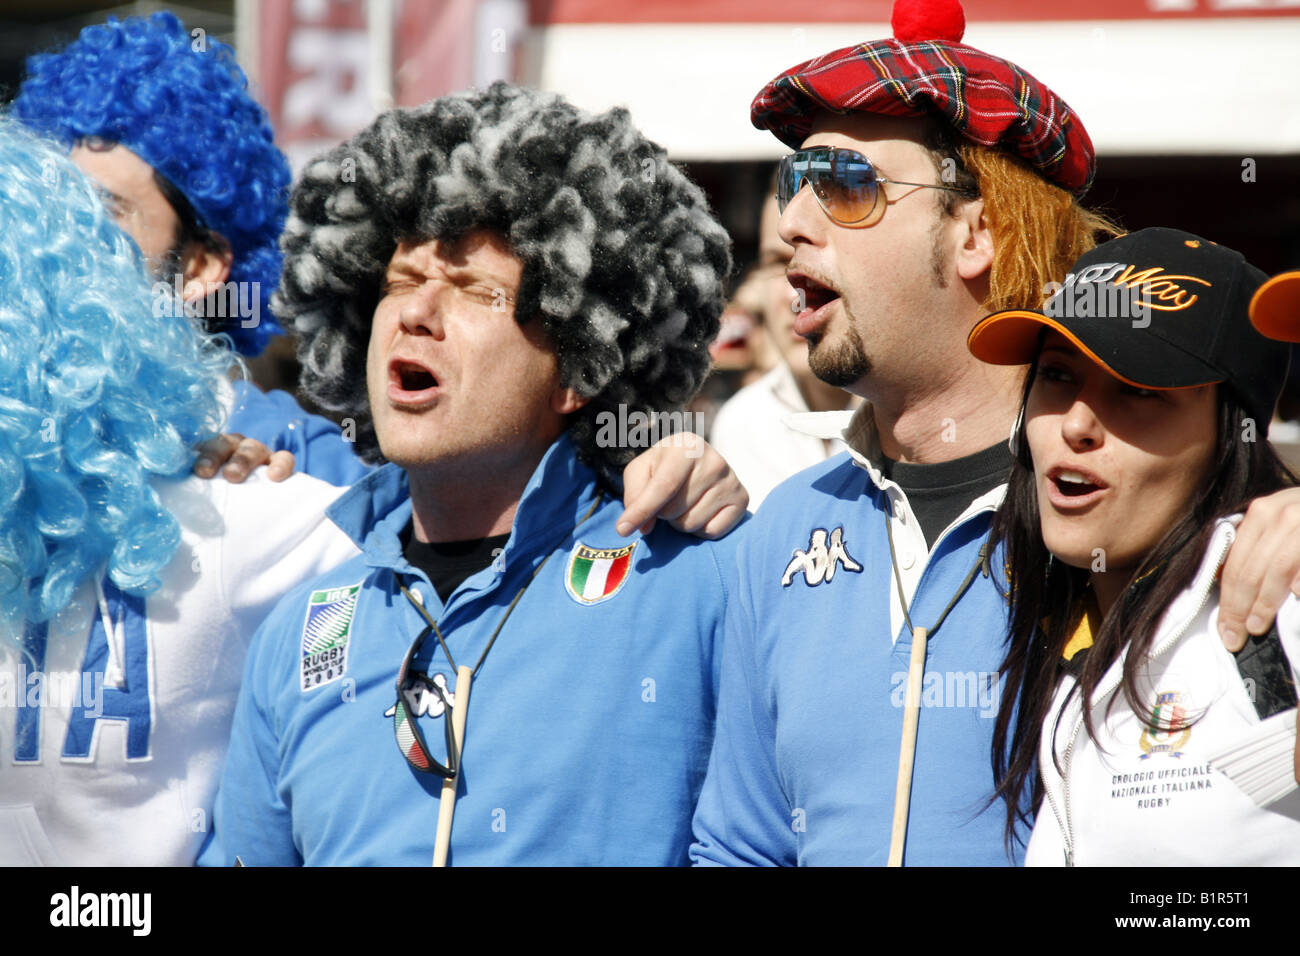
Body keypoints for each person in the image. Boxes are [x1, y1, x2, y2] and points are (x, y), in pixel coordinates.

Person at [690, 0, 1300, 866]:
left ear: (978, 231)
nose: (793, 221)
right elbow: (738, 845)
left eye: (848, 184)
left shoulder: (1127, 519)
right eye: (796, 181)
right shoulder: (782, 529)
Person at [200, 83, 740, 866]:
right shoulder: (303, 626)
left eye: (472, 290)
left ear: (579, 364)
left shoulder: (697, 581)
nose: (416, 314)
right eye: (397, 284)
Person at [0, 118, 361, 865]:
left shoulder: (251, 495)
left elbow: (468, 561)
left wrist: (654, 470)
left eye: (105, 218)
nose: (88, 246)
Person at [972, 227, 1300, 865]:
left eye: (1139, 390)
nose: (1075, 424)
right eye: (1057, 377)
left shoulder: (1281, 604)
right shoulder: (1057, 623)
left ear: (1234, 433)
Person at [12, 11, 370, 486]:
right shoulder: (19, 418)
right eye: (54, 199)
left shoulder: (303, 461)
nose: (67, 229)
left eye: (105, 208)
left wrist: (262, 502)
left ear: (200, 267)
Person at [710, 189, 858, 507]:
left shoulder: (911, 423)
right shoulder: (741, 423)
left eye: (815, 259)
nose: (797, 297)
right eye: (778, 263)